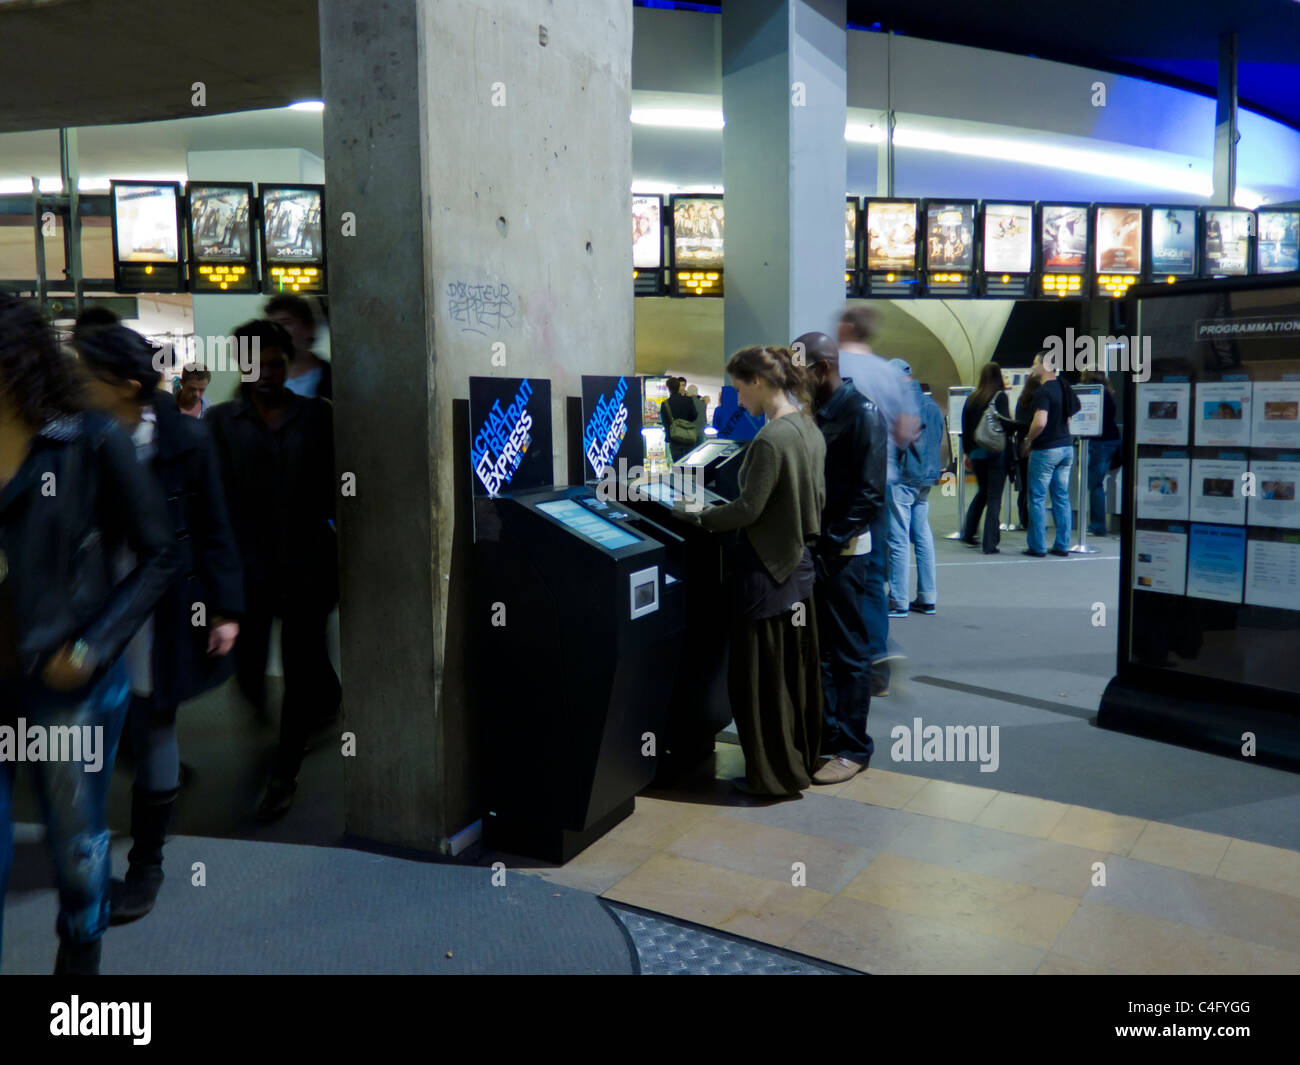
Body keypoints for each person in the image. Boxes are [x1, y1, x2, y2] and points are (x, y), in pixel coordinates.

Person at [0, 296, 179, 974]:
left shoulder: (87, 440)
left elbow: (163, 552)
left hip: (66, 680)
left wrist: (94, 644)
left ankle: (79, 976)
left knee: (76, 848)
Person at [74, 325, 243, 923]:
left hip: (163, 610)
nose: (76, 382)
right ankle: (84, 857)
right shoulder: (77, 439)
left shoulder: (184, 439)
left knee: (154, 728)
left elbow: (216, 525)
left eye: (86, 372)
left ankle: (146, 865)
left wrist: (225, 608)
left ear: (121, 384)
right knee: (88, 735)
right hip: (92, 609)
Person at [676, 346, 825, 797]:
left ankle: (773, 775)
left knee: (760, 681)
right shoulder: (807, 428)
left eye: (740, 389)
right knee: (793, 676)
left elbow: (747, 509)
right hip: (798, 571)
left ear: (758, 382)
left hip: (765, 574)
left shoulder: (770, 440)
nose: (738, 400)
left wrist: (696, 515)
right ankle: (795, 761)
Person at [207, 320, 339, 820]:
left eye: (275, 361)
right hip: (246, 573)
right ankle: (271, 728)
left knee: (302, 672)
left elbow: (339, 487)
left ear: (288, 364)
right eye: (254, 361)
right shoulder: (221, 423)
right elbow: (211, 501)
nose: (265, 371)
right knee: (247, 673)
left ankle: (285, 773)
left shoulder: (317, 417)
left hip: (307, 569)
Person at [795, 332, 886, 785]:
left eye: (801, 371)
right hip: (822, 549)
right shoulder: (819, 411)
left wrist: (829, 542)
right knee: (824, 652)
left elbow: (870, 494)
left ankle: (853, 747)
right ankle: (830, 739)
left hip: (844, 555)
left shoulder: (861, 412)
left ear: (822, 367)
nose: (796, 381)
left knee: (849, 653)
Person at [837, 305, 918, 696]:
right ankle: (877, 658)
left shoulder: (832, 365)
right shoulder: (891, 372)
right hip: (882, 485)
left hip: (841, 487)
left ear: (847, 327)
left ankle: (842, 658)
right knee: (874, 575)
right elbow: (908, 430)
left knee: (836, 569)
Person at [889, 362, 942, 612]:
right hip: (926, 477)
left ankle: (898, 599)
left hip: (903, 476)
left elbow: (896, 441)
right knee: (922, 535)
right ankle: (927, 596)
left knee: (898, 537)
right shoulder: (932, 404)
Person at [1021, 352, 1079, 557]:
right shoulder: (1065, 387)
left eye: (1035, 363)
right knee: (1061, 497)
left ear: (1045, 366)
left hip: (1046, 450)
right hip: (1066, 448)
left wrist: (1028, 440)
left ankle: (1037, 546)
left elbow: (1040, 422)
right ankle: (1062, 545)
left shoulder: (1044, 392)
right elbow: (1070, 417)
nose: (1032, 367)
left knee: (1037, 497)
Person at [960, 362, 1014, 554]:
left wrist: (967, 453)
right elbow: (1006, 426)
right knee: (994, 498)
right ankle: (989, 543)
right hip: (996, 453)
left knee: (983, 492)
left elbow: (965, 429)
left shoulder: (972, 398)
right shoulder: (1000, 398)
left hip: (977, 453)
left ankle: (968, 532)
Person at [265, 294, 333, 400]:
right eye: (271, 325)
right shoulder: (257, 381)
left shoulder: (334, 380)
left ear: (309, 328)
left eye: (285, 323)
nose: (276, 331)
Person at [1081, 370, 1120, 537]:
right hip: (1113, 440)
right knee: (1100, 483)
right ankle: (1098, 524)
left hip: (1099, 442)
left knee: (1095, 484)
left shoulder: (1093, 397)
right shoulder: (1109, 395)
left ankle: (1098, 525)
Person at [1012, 357, 1045, 528]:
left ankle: (1023, 518)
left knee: (1023, 484)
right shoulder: (1040, 400)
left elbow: (1018, 421)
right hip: (1036, 444)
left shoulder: (1021, 400)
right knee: (1036, 485)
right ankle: (1034, 519)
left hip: (1021, 445)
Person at [659, 375, 700, 462]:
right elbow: (694, 415)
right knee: (689, 463)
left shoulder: (665, 404)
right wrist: (685, 422)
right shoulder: (688, 400)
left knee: (677, 465)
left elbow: (665, 422)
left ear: (669, 388)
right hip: (688, 437)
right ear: (679, 387)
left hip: (674, 439)